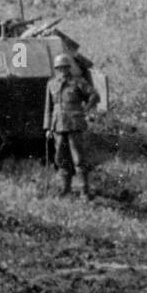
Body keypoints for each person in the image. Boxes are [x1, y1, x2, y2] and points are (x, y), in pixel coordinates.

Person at [44, 54, 100, 197]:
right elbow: (48, 108)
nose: (62, 70)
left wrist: (85, 110)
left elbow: (94, 95)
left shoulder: (78, 82)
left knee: (78, 158)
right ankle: (65, 189)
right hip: (58, 125)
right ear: (56, 69)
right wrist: (48, 127)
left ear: (69, 68)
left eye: (64, 67)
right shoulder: (52, 84)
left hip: (74, 123)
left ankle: (84, 190)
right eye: (59, 68)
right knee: (60, 158)